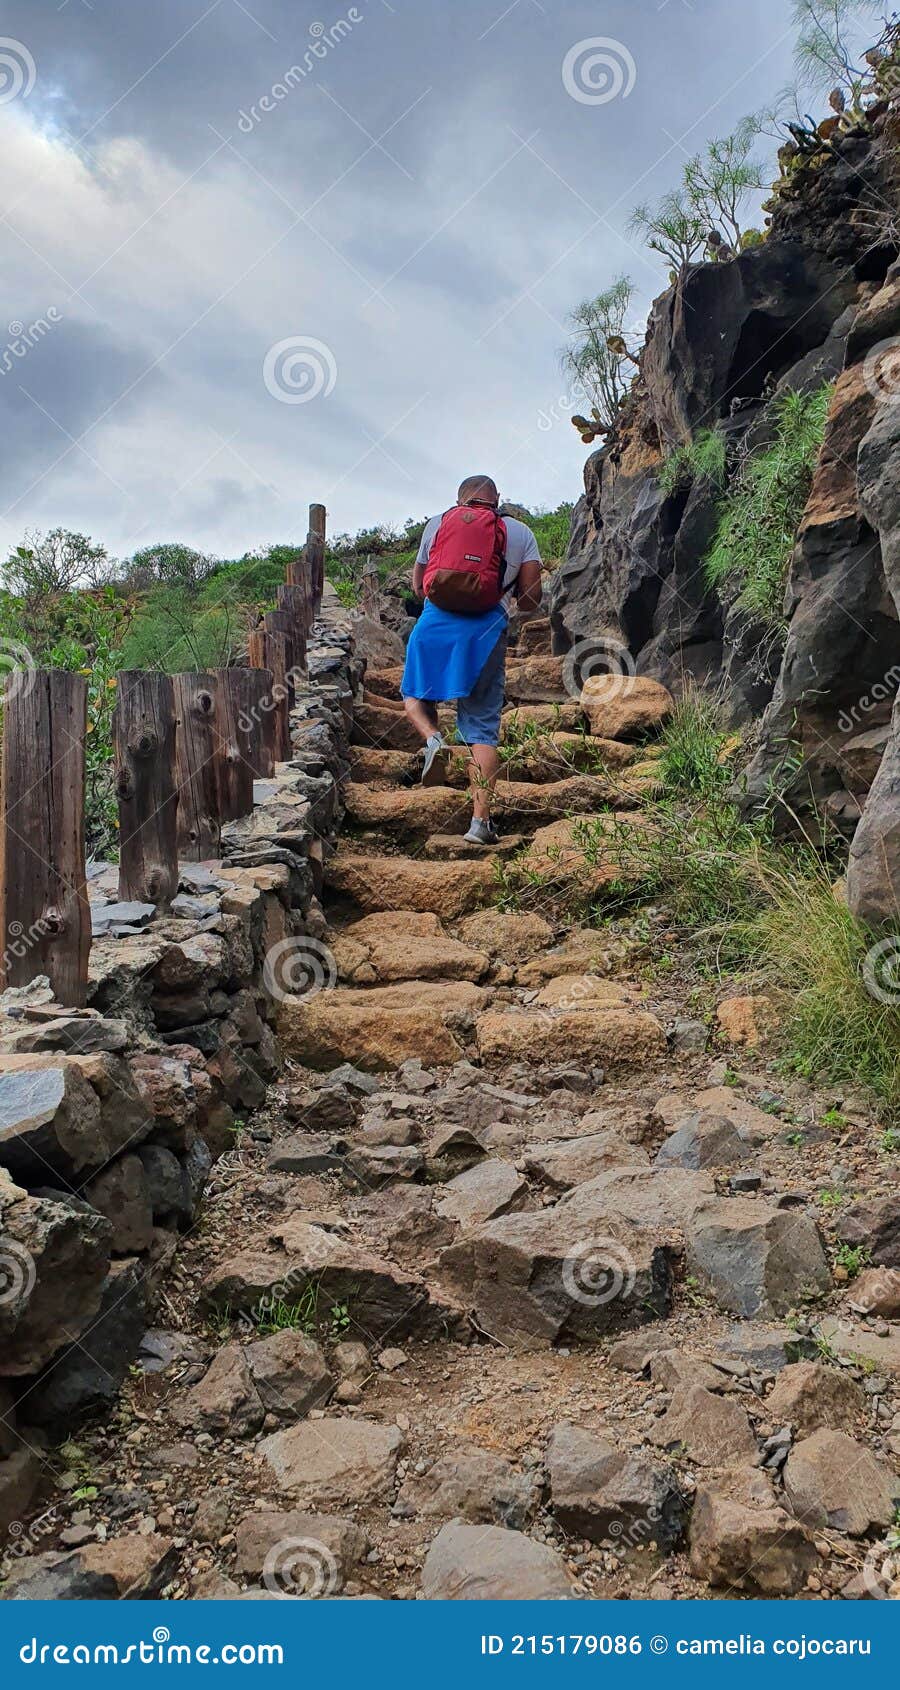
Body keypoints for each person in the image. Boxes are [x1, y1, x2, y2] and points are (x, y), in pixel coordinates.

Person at [401, 475, 542, 845]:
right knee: (480, 727)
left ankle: (433, 740)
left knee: (415, 693)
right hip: (486, 631)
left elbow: (418, 586)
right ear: (496, 500)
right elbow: (530, 600)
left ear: (461, 499)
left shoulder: (438, 523)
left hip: (434, 623)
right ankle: (479, 824)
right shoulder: (519, 533)